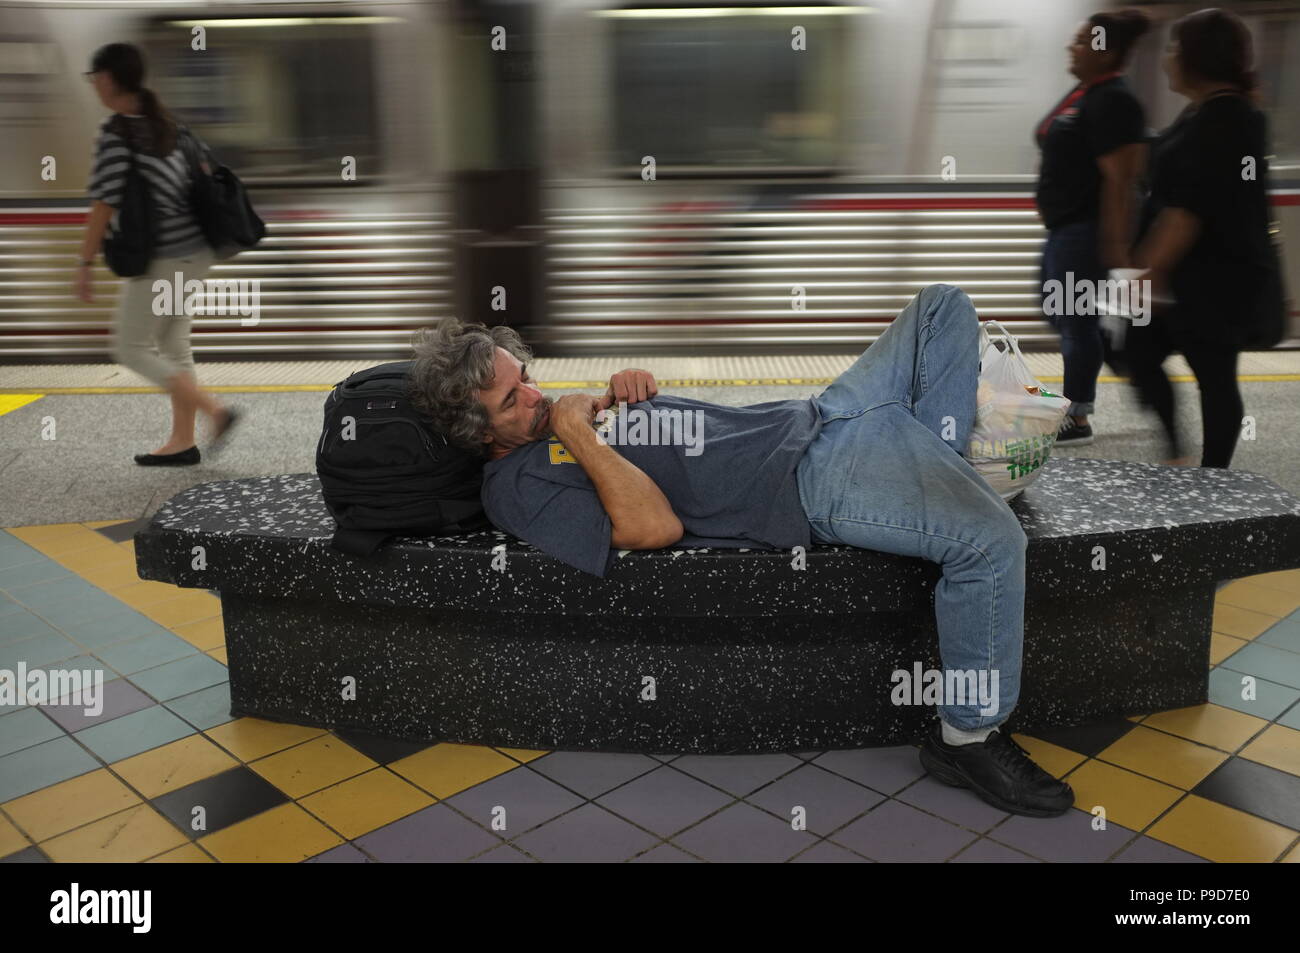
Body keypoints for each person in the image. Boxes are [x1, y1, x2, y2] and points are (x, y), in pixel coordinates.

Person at [410, 285, 1075, 819]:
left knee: (943, 306)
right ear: (477, 430)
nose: (534, 394)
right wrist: (577, 430)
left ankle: (931, 471)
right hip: (812, 484)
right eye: (512, 398)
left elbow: (642, 435)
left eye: (525, 376)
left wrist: (622, 395)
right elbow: (651, 525)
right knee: (991, 545)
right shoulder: (517, 487)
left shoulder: (555, 421)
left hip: (819, 416)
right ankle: (967, 737)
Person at [1125, 8, 1282, 468]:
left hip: (1214, 276)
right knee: (1145, 352)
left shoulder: (1227, 118)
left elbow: (1187, 210)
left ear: (1197, 56)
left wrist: (1146, 270)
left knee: (1212, 374)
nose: (1168, 57)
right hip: (1194, 275)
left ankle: (1211, 474)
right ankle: (1183, 456)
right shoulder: (1207, 111)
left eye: (1174, 47)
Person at [74, 42, 238, 466]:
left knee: (128, 347)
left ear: (108, 79)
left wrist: (84, 263)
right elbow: (205, 176)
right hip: (195, 254)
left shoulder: (117, 133)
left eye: (94, 78)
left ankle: (215, 410)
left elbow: (103, 204)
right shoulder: (170, 124)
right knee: (172, 346)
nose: (94, 86)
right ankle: (182, 442)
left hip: (165, 260)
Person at [1035, 8, 1151, 448]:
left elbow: (1121, 180)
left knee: (1074, 320)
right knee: (1060, 311)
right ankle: (1108, 347)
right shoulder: (1084, 92)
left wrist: (1115, 246)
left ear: (1107, 52)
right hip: (1065, 229)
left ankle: (1077, 416)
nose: (1073, 45)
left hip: (1085, 232)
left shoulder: (1113, 100)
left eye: (1084, 40)